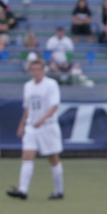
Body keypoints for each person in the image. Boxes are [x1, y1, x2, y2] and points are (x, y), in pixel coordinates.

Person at [7, 58, 64, 201]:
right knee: (27, 155)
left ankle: (59, 190)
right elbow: (28, 108)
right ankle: (23, 190)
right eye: (34, 70)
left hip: (48, 126)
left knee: (53, 158)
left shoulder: (51, 84)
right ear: (30, 71)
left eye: (39, 69)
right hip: (32, 127)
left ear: (43, 70)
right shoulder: (28, 86)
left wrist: (42, 119)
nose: (36, 72)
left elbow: (54, 106)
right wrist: (21, 125)